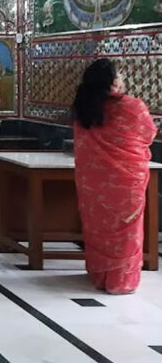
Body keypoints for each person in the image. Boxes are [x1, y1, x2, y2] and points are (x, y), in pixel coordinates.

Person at [72, 58, 157, 294]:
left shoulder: (84, 108)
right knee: (126, 229)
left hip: (93, 181)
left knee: (97, 226)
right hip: (126, 180)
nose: (122, 77)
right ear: (111, 81)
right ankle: (121, 280)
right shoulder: (132, 107)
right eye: (119, 73)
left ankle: (100, 274)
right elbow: (148, 134)